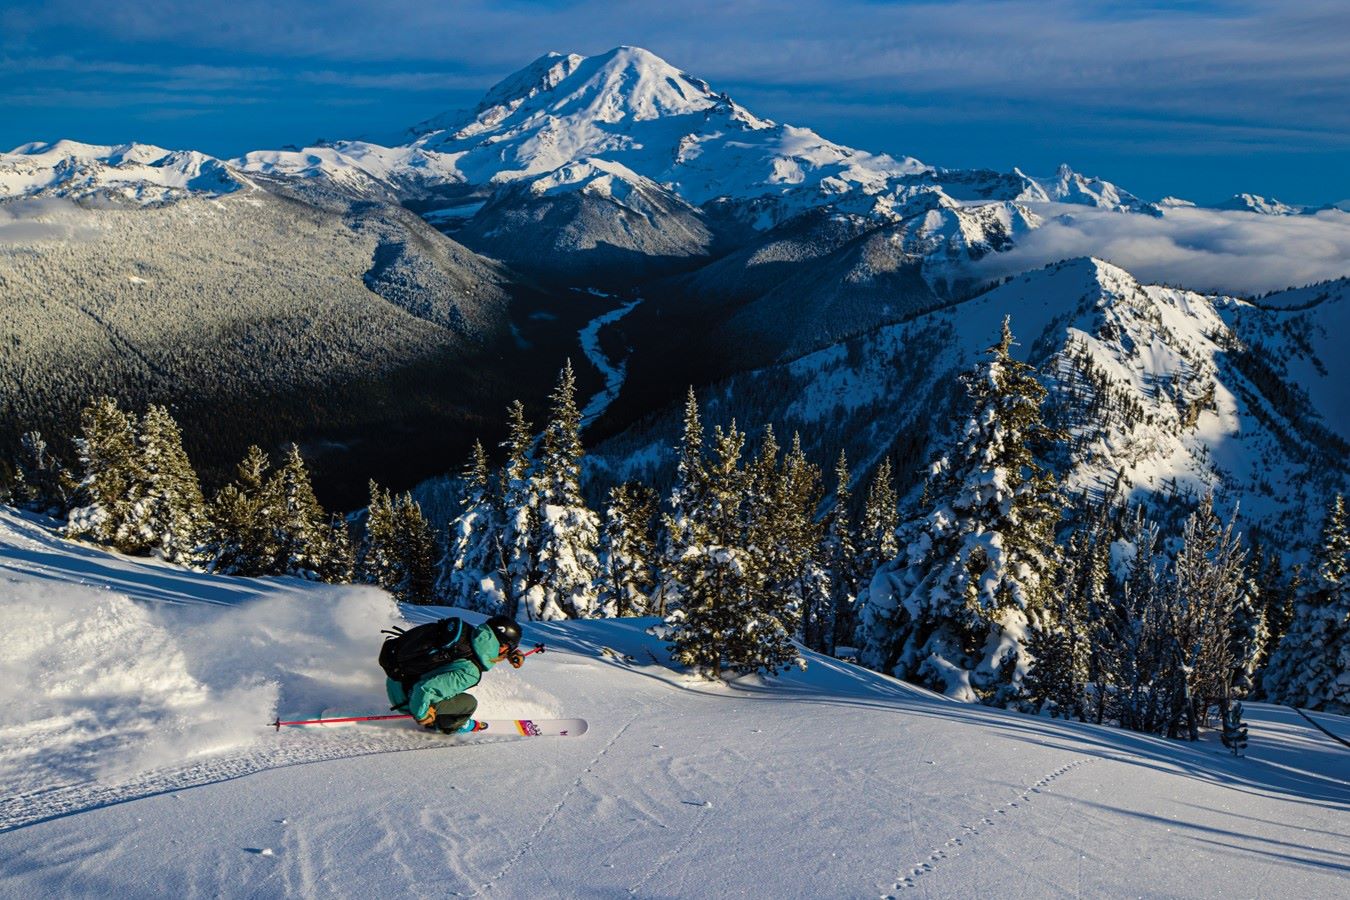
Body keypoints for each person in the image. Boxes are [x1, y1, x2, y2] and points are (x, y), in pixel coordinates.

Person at [386, 615, 524, 734]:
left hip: (396, 678)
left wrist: (509, 654)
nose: (509, 651)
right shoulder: (470, 672)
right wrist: (421, 714)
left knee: (445, 685)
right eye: (510, 648)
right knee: (468, 704)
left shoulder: (467, 634)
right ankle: (446, 726)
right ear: (503, 646)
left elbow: (489, 648)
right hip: (405, 697)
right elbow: (425, 689)